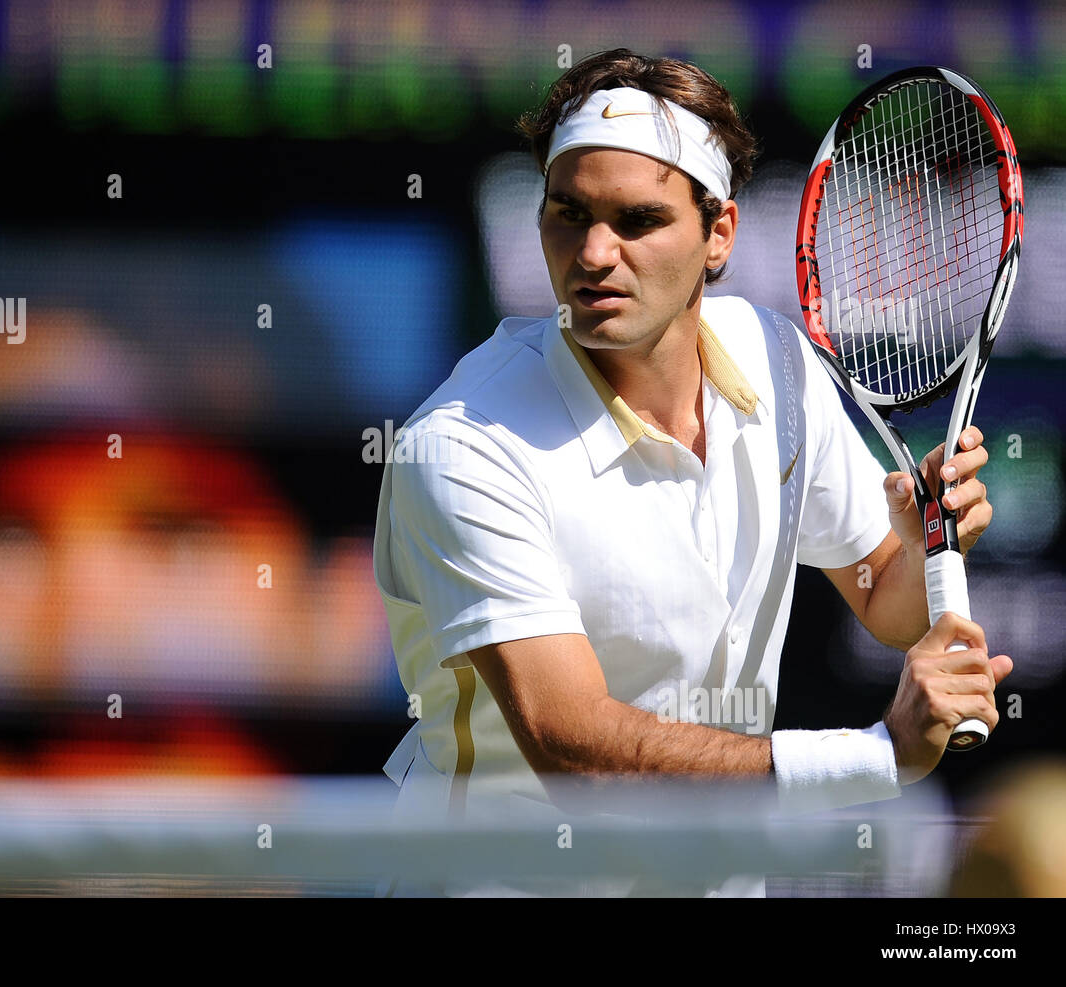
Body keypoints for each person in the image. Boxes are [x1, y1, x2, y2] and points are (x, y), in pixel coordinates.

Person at [372, 49, 1011, 896]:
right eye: (569, 214)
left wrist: (920, 542)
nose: (594, 253)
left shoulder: (778, 363)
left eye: (637, 221)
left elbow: (886, 593)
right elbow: (577, 751)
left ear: (719, 236)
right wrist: (877, 753)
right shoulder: (461, 447)